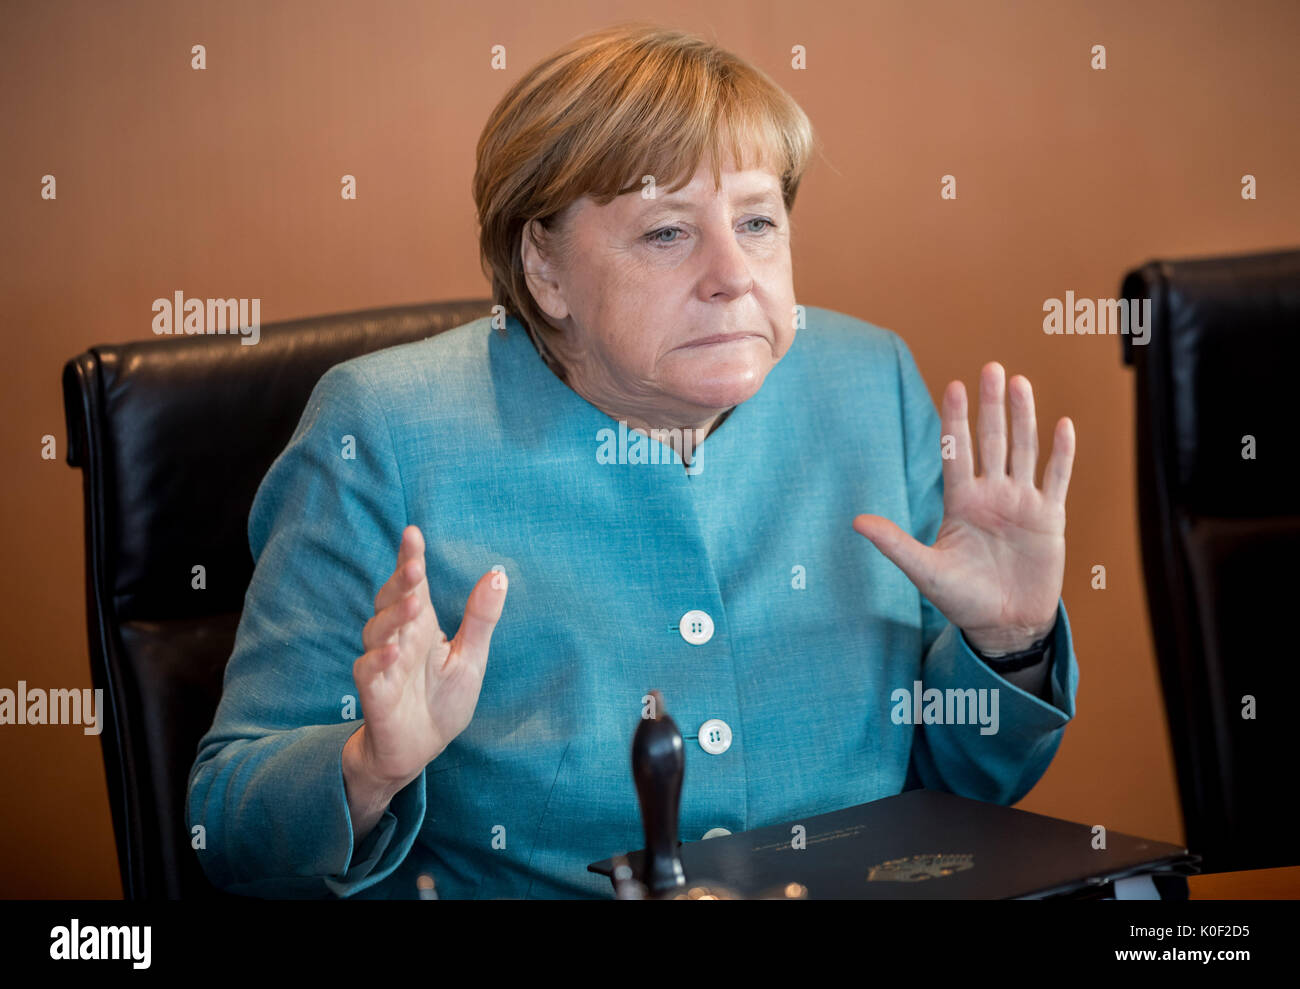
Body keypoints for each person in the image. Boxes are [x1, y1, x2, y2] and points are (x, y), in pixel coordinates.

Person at [187, 22, 1078, 899]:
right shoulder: (385, 427)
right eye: (667, 232)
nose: (734, 273)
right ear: (544, 267)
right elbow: (222, 821)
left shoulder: (867, 380)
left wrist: (1006, 647)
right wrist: (367, 768)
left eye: (758, 220)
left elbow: (967, 788)